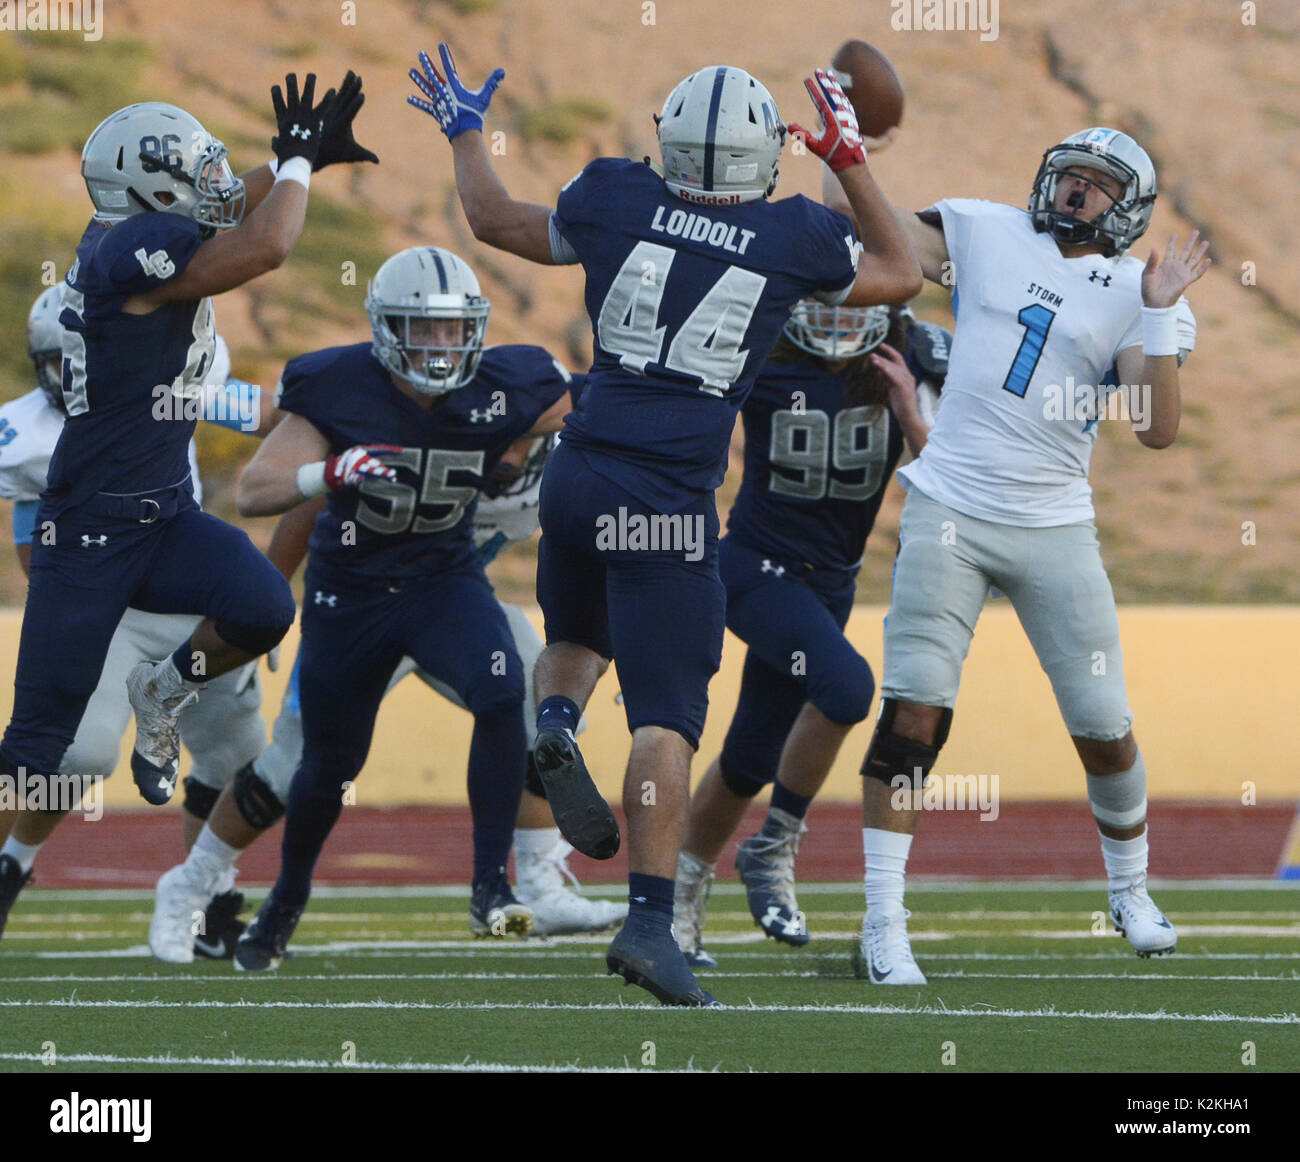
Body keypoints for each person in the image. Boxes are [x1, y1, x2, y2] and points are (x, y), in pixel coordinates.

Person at [409, 44, 921, 1004]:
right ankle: (649, 926)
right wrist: (851, 158)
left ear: (670, 142)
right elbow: (899, 272)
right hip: (670, 505)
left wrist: (465, 129)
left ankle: (553, 724)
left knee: (573, 637)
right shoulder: (795, 235)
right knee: (666, 724)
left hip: (579, 475)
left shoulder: (613, 195)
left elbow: (493, 219)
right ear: (764, 155)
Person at [840, 128, 1207, 983]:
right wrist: (848, 154)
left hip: (1053, 523)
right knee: (912, 715)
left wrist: (1154, 313)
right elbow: (877, 233)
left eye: (1097, 185)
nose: (1077, 192)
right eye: (1069, 176)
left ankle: (1129, 890)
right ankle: (883, 919)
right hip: (951, 507)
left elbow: (1156, 431)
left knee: (1105, 728)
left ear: (1130, 207)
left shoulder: (1138, 291)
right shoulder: (983, 228)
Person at [0, 74, 378, 851]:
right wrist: (297, 168)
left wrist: (291, 161)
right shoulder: (123, 253)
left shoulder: (136, 231)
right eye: (188, 167)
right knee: (38, 751)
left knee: (265, 607)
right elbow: (266, 244)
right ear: (145, 190)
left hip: (166, 515)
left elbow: (220, 207)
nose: (211, 177)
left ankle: (163, 691)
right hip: (89, 532)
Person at [147, 430, 626, 962]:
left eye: (521, 441)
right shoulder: (430, 440)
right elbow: (313, 509)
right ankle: (189, 885)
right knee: (292, 766)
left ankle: (540, 886)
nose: (507, 455)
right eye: (502, 439)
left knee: (544, 719)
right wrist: (269, 602)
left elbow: (579, 559)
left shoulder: (559, 471)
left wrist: (610, 639)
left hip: (456, 613)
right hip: (362, 610)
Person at [229, 245, 578, 970]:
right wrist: (325, 471)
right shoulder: (337, 384)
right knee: (328, 767)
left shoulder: (514, 381)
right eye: (423, 329)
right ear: (386, 329)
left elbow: (591, 399)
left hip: (442, 582)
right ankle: (283, 903)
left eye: (455, 330)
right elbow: (253, 490)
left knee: (503, 688)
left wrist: (515, 441)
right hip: (349, 595)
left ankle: (491, 887)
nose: (442, 345)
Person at [0, 289, 278, 954]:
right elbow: (32, 553)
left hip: (195, 608)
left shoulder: (172, 387)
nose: (79, 375)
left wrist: (344, 406)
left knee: (237, 756)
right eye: (64, 362)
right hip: (115, 615)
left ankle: (207, 898)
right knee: (80, 755)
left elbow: (270, 411)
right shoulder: (27, 433)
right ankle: (14, 860)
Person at [674, 303, 947, 967]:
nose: (833, 323)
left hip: (832, 583)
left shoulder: (913, 356)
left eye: (851, 307)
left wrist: (911, 409)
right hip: (755, 568)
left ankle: (672, 904)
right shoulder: (761, 350)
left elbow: (950, 475)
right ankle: (771, 847)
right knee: (847, 688)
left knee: (747, 758)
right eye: (821, 305)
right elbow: (677, 431)